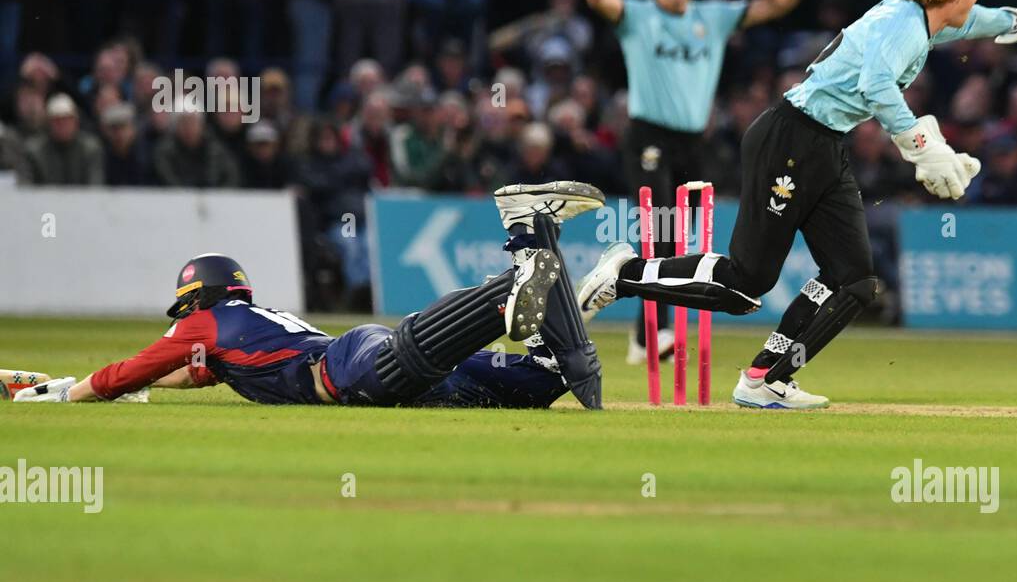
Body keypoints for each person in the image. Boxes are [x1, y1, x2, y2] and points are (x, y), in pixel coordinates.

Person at [579, 0, 1017, 409]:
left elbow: (968, 25)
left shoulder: (922, 15)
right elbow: (875, 83)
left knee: (853, 280)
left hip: (823, 145)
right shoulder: (904, 25)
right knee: (745, 283)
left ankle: (765, 378)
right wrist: (923, 145)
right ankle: (624, 275)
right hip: (790, 140)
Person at [16, 184, 612, 410]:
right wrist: (103, 385)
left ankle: (514, 272)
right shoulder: (234, 335)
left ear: (199, 297)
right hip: (354, 357)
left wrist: (72, 393)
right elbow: (174, 377)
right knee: (539, 382)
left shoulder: (206, 324)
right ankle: (563, 271)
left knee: (409, 352)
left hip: (348, 365)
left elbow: (131, 370)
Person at [575, 0, 826, 363]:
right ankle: (653, 334)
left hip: (693, 142)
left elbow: (769, 5)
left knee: (678, 241)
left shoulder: (712, 17)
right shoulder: (638, 15)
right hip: (648, 136)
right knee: (661, 231)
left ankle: (643, 335)